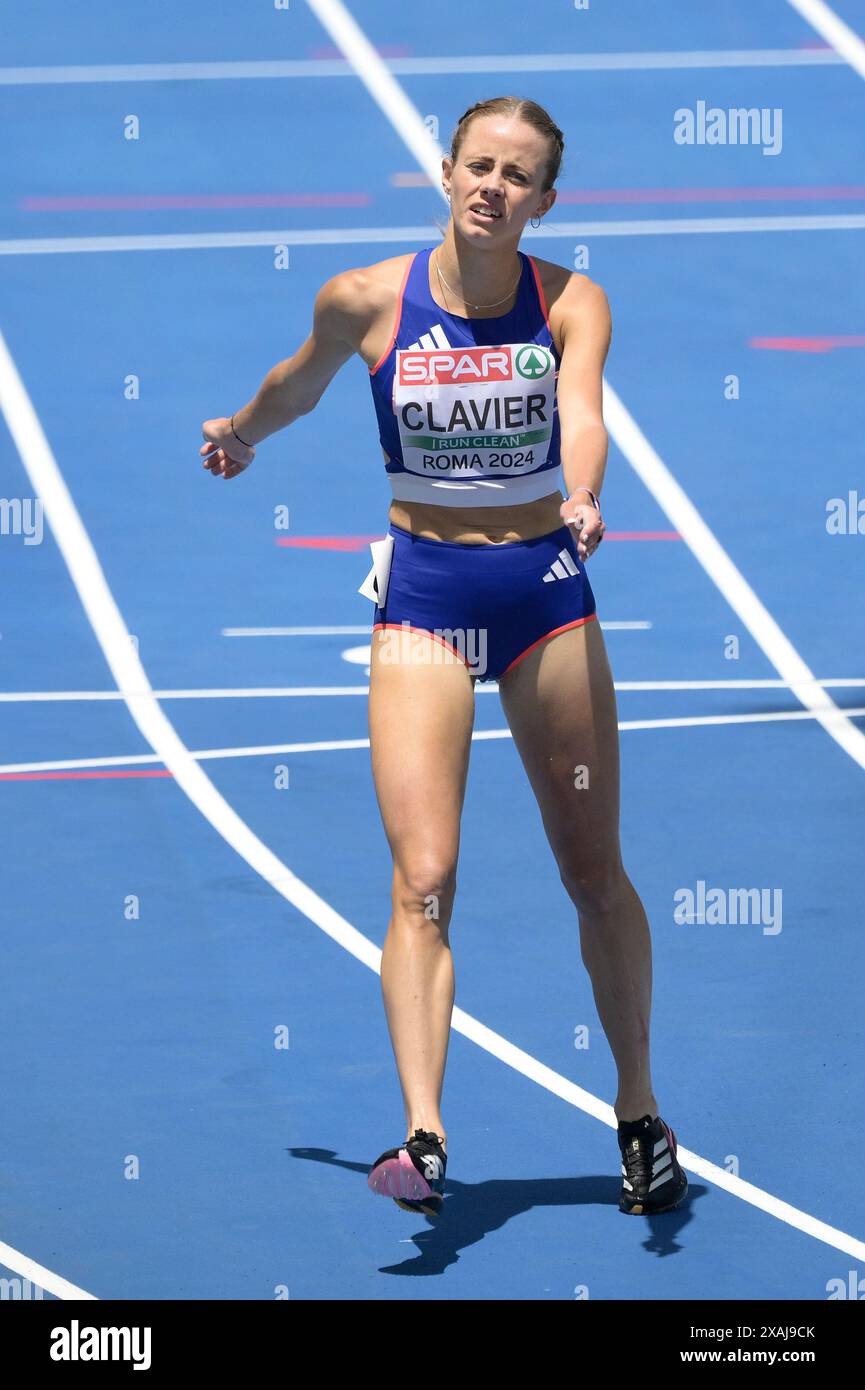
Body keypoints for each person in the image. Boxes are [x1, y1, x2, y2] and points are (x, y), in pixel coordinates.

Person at [200, 96, 688, 1221]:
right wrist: (238, 431)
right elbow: (298, 381)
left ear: (544, 200)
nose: (493, 187)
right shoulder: (367, 299)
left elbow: (582, 409)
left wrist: (582, 493)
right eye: (479, 165)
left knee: (589, 871)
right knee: (421, 880)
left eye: (518, 176)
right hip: (423, 598)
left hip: (544, 599)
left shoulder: (571, 302)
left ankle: (638, 1111)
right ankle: (421, 1135)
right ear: (444, 170)